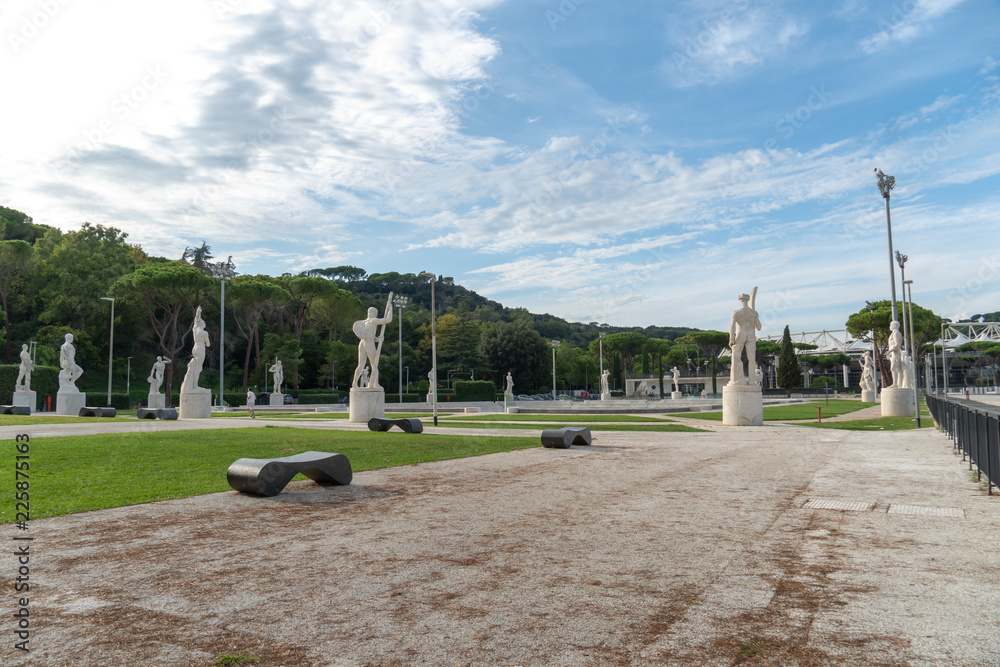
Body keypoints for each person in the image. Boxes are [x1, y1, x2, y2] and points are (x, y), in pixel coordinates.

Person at [352, 298, 393, 389]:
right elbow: (388, 319)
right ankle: (375, 384)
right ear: (375, 313)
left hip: (361, 344)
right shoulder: (373, 321)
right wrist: (390, 308)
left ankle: (354, 383)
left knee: (360, 365)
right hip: (369, 344)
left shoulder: (363, 322)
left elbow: (368, 336)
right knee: (374, 364)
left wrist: (377, 339)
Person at [728, 290, 761, 385]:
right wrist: (754, 321)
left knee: (736, 355)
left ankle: (737, 380)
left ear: (740, 301)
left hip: (741, 334)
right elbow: (759, 327)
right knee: (751, 359)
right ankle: (752, 382)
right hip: (750, 335)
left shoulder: (736, 312)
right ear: (747, 300)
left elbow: (732, 326)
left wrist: (731, 339)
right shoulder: (754, 313)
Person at [182, 306, 210, 392]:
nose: (205, 324)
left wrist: (198, 313)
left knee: (194, 367)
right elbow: (208, 344)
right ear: (202, 324)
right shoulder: (204, 333)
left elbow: (196, 320)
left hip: (194, 348)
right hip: (201, 348)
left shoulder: (195, 330)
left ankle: (193, 385)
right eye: (204, 323)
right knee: (198, 368)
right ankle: (195, 386)